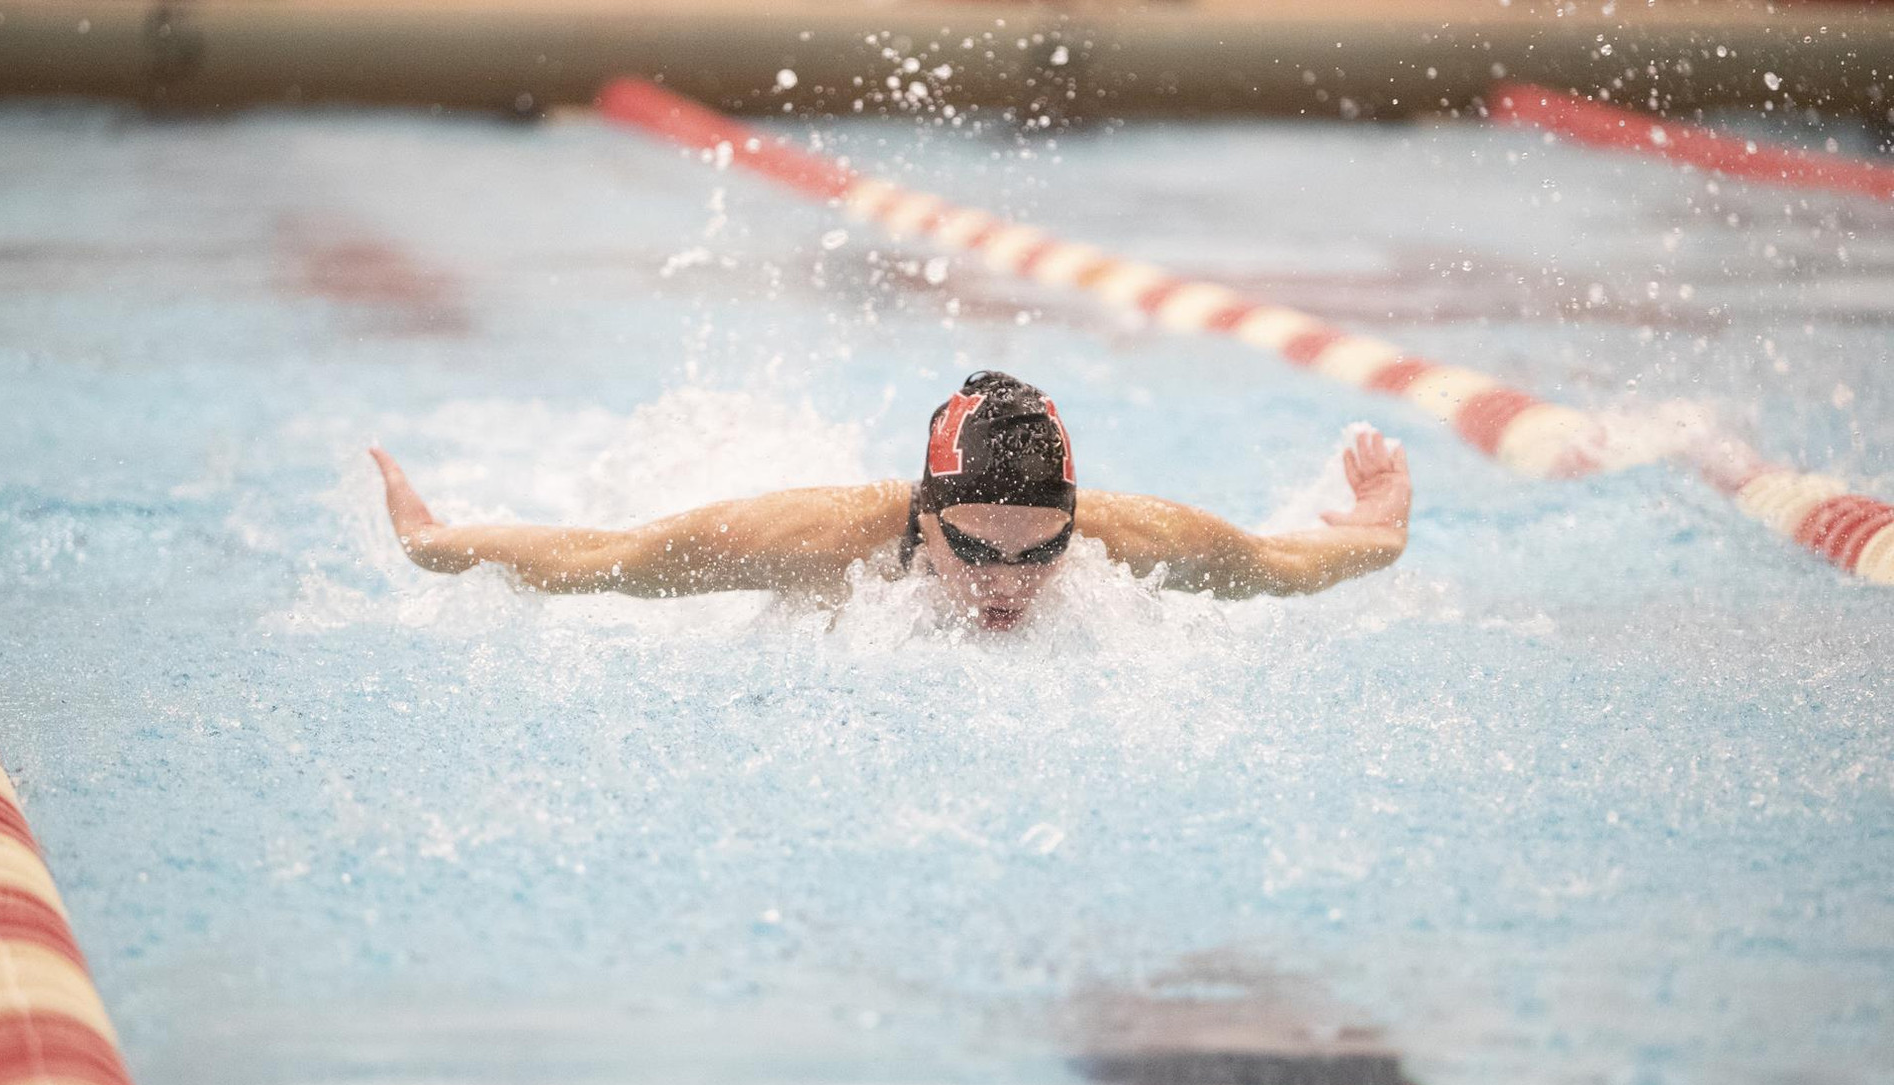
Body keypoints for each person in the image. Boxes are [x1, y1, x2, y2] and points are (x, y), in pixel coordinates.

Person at [371, 371, 1411, 631]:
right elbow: (610, 557)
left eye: (1039, 553)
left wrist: (1378, 534)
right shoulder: (821, 538)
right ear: (925, 516)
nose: (1009, 583)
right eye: (977, 550)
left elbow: (1277, 568)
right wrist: (437, 542)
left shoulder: (1126, 537)